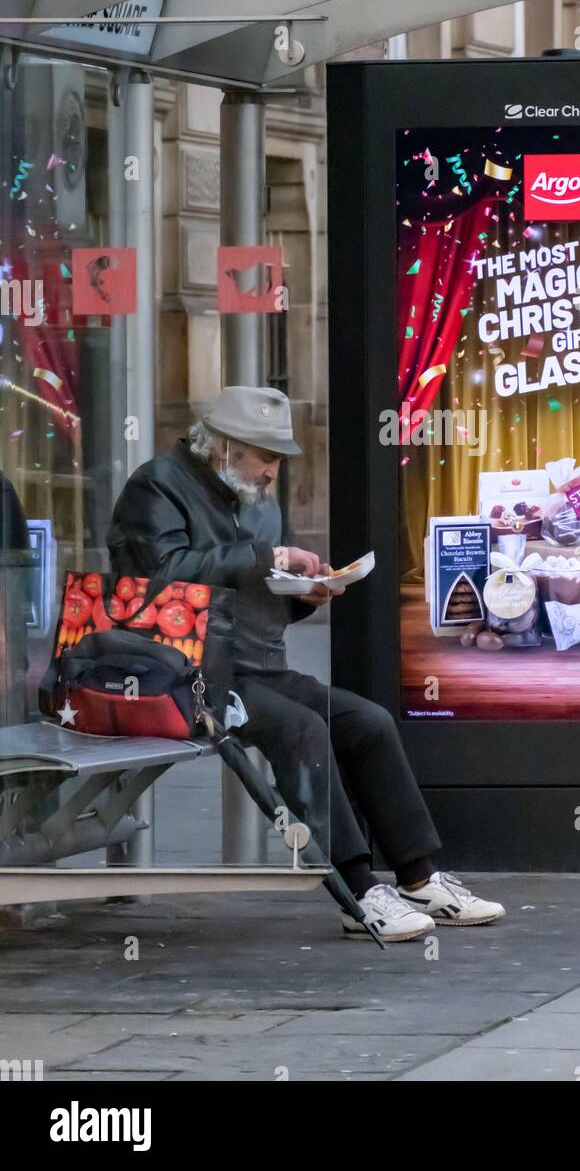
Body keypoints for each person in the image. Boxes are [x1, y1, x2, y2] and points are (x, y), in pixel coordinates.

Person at [108, 386, 504, 941]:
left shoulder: (252, 493)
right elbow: (159, 580)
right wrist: (266, 558)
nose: (273, 471)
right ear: (224, 447)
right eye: (265, 456)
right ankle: (357, 889)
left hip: (256, 665)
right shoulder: (156, 486)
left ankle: (419, 876)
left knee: (367, 722)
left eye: (276, 459)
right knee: (302, 731)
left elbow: (259, 584)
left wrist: (305, 592)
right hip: (186, 676)